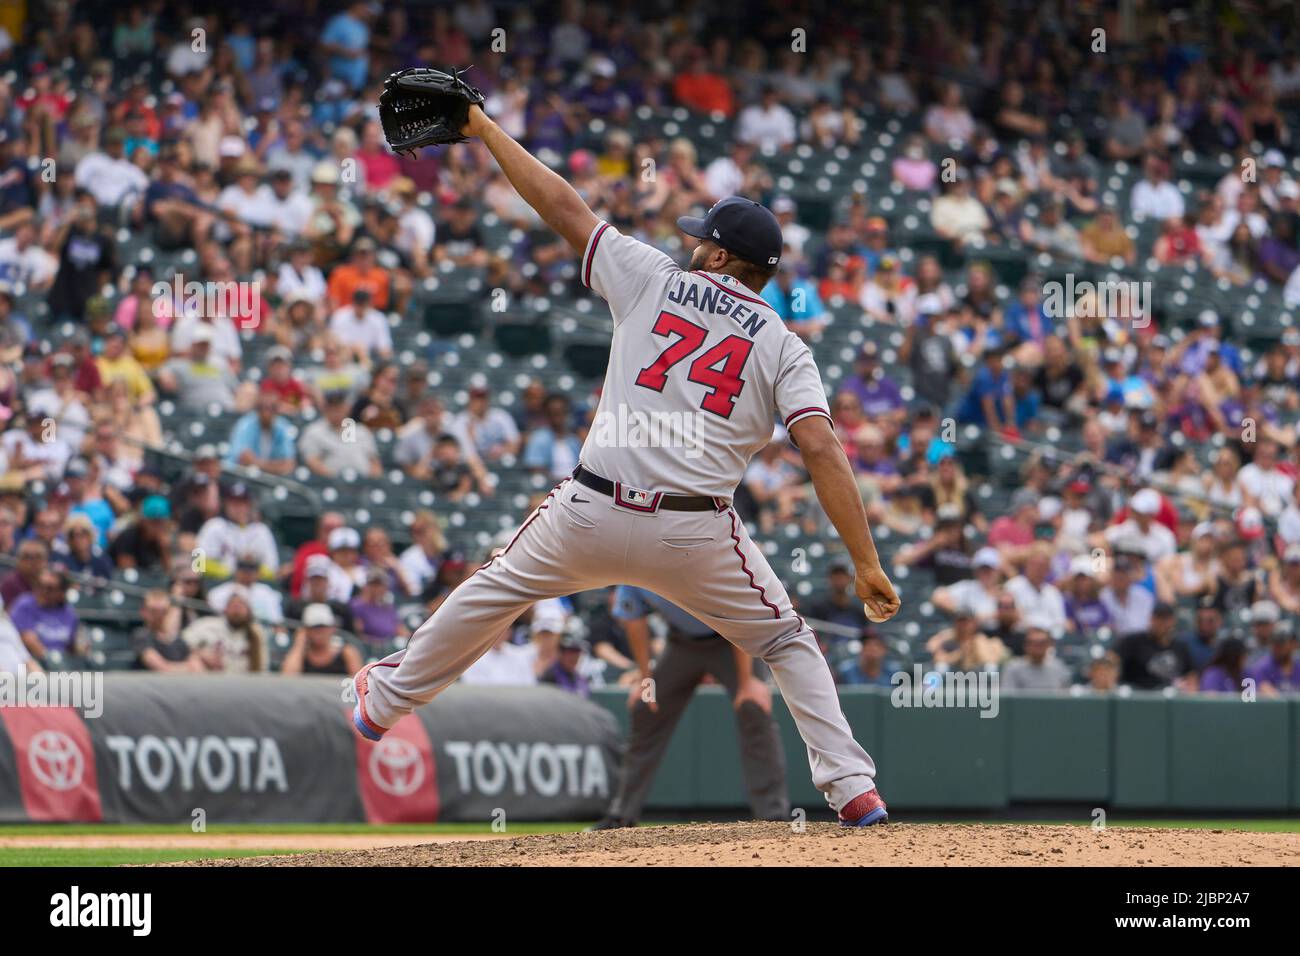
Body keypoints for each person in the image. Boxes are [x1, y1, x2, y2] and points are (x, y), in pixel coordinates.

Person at [352, 100, 899, 828]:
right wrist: (863, 561)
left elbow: (563, 206)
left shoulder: (653, 276)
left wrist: (484, 130)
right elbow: (822, 448)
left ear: (719, 255)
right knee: (787, 642)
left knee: (497, 588)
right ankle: (851, 788)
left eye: (704, 238)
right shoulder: (784, 344)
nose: (694, 243)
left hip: (593, 507)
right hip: (695, 532)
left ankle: (383, 702)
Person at [592, 585, 789, 830]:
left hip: (732, 637)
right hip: (682, 642)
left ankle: (773, 817)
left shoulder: (700, 549)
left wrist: (747, 681)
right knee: (646, 707)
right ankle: (622, 815)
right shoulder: (633, 560)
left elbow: (738, 609)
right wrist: (646, 679)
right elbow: (634, 620)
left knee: (753, 707)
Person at [281, 603, 362, 676]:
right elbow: (288, 678)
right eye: (314, 627)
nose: (319, 632)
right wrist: (299, 644)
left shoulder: (346, 652)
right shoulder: (301, 655)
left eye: (323, 627)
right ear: (306, 630)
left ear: (332, 628)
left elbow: (358, 685)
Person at [133, 589, 201, 672]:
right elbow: (162, 668)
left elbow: (197, 667)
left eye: (163, 611)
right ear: (144, 612)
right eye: (154, 611)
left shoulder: (179, 639)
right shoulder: (142, 636)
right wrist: (189, 668)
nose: (159, 616)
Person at [1000, 624, 1072, 690]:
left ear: (1049, 645)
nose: (1037, 647)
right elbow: (1008, 699)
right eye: (1033, 643)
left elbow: (1065, 697)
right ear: (1025, 645)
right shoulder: (1012, 668)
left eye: (1042, 643)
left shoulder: (1059, 668)